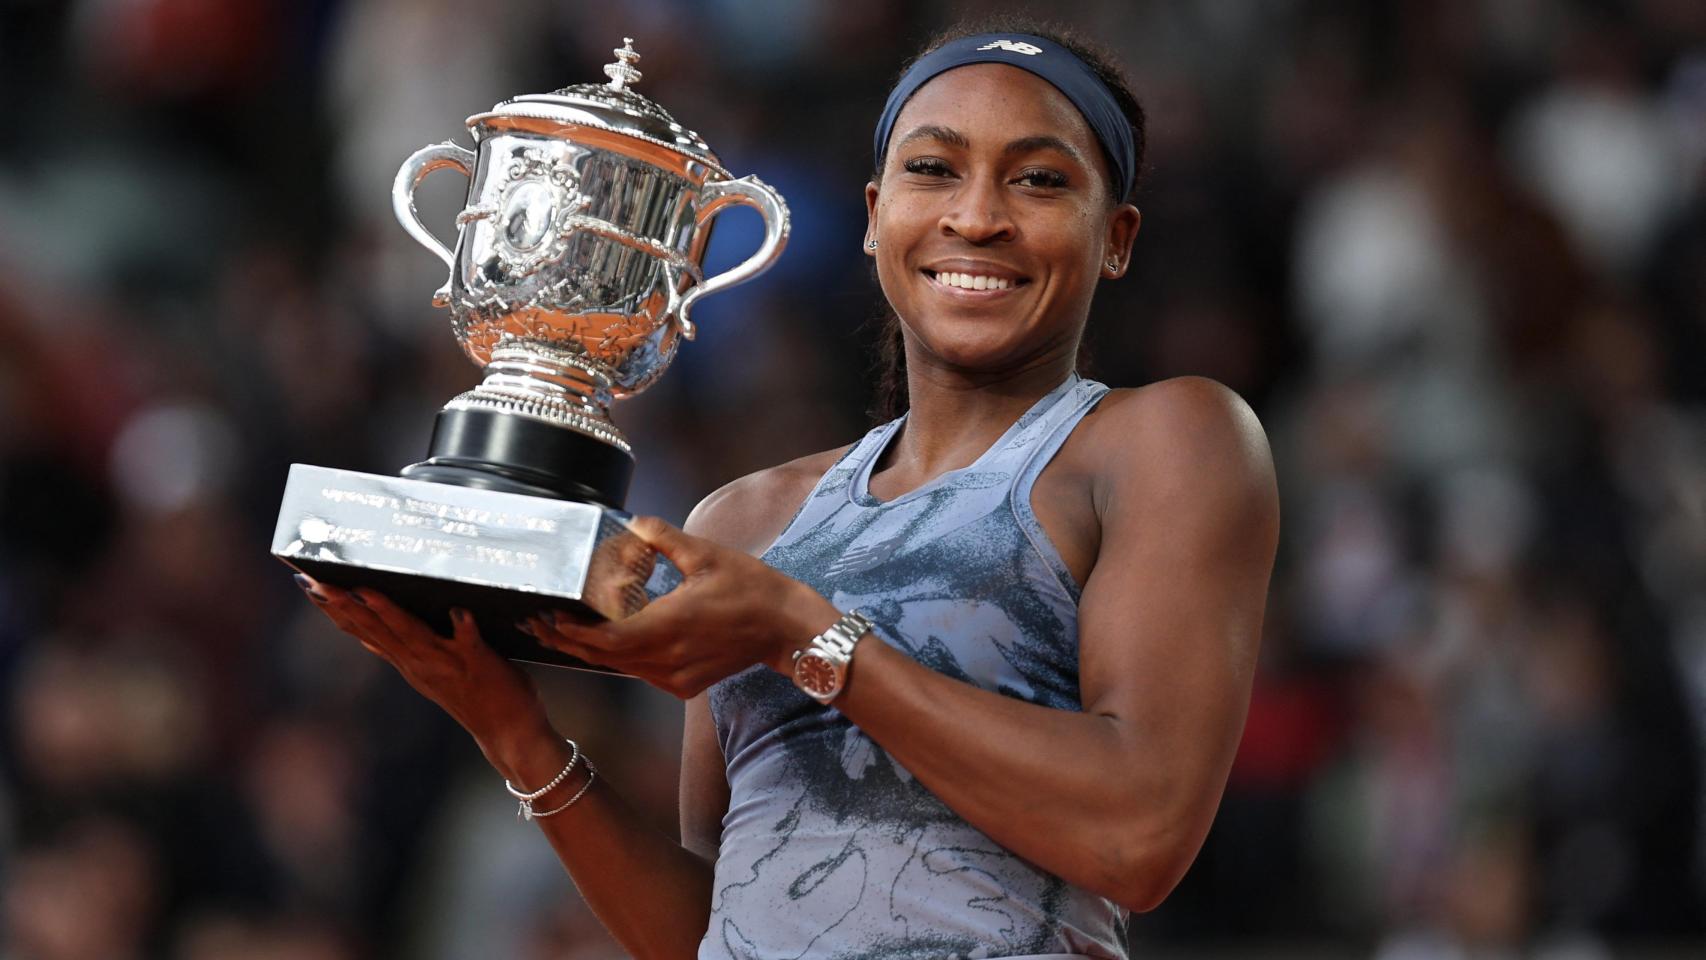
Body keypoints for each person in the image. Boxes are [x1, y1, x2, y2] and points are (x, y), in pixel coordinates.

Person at [299, 17, 1279, 960]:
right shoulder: (746, 518)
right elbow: (712, 928)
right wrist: (512, 730)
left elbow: (1136, 837)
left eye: (1036, 179)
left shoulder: (1166, 440)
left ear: (1116, 235)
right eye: (932, 169)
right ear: (871, 217)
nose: (976, 216)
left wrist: (797, 631)